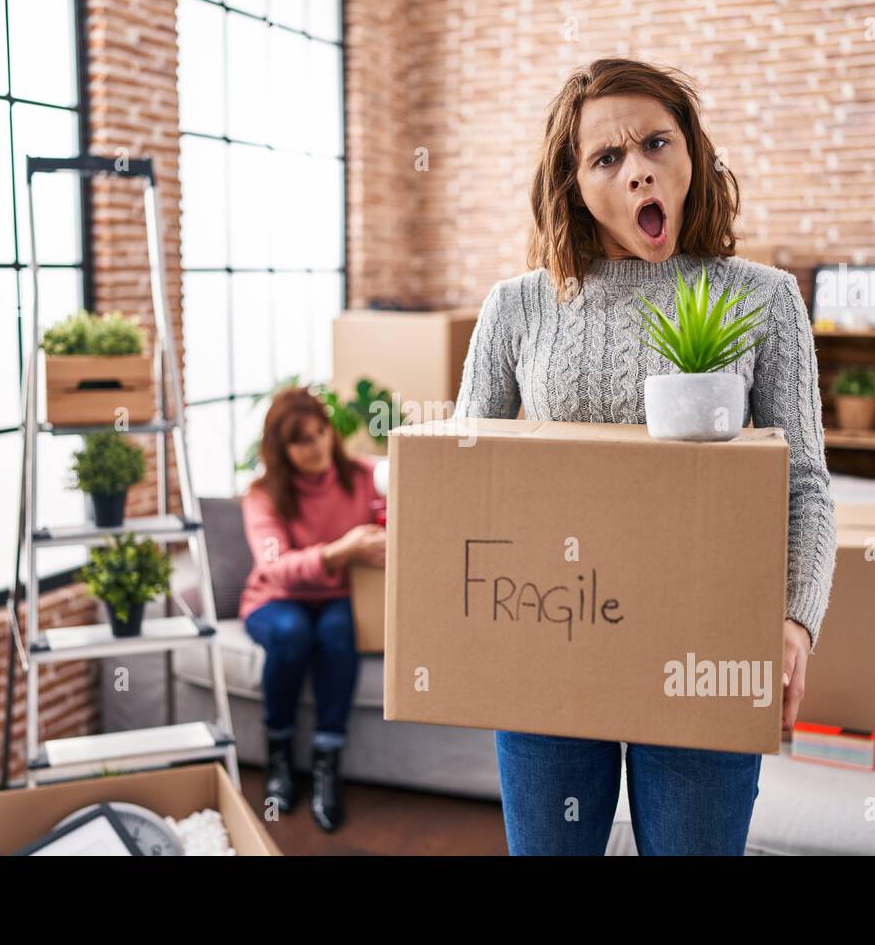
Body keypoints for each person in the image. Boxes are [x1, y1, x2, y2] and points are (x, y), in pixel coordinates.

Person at [453, 57, 839, 855]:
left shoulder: (763, 298)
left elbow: (802, 484)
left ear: (691, 154)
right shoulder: (516, 307)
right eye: (608, 158)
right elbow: (463, 481)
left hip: (708, 656)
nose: (639, 172)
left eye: (657, 144)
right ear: (574, 182)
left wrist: (795, 624)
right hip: (545, 661)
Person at [237, 386, 386, 832]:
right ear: (281, 449)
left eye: (321, 432)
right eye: (302, 439)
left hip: (338, 597)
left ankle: (326, 765)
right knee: (291, 633)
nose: (317, 445)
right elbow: (275, 566)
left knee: (339, 633)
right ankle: (278, 755)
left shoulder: (361, 477)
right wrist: (342, 551)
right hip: (275, 599)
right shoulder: (262, 495)